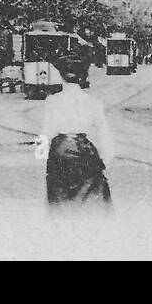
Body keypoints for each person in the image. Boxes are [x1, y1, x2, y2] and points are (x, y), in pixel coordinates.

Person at [40, 55, 114, 210]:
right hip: (85, 155)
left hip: (59, 156)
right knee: (90, 205)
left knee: (59, 206)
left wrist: (44, 162)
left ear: (61, 76)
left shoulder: (52, 101)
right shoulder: (93, 102)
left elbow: (45, 134)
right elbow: (104, 134)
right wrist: (106, 161)